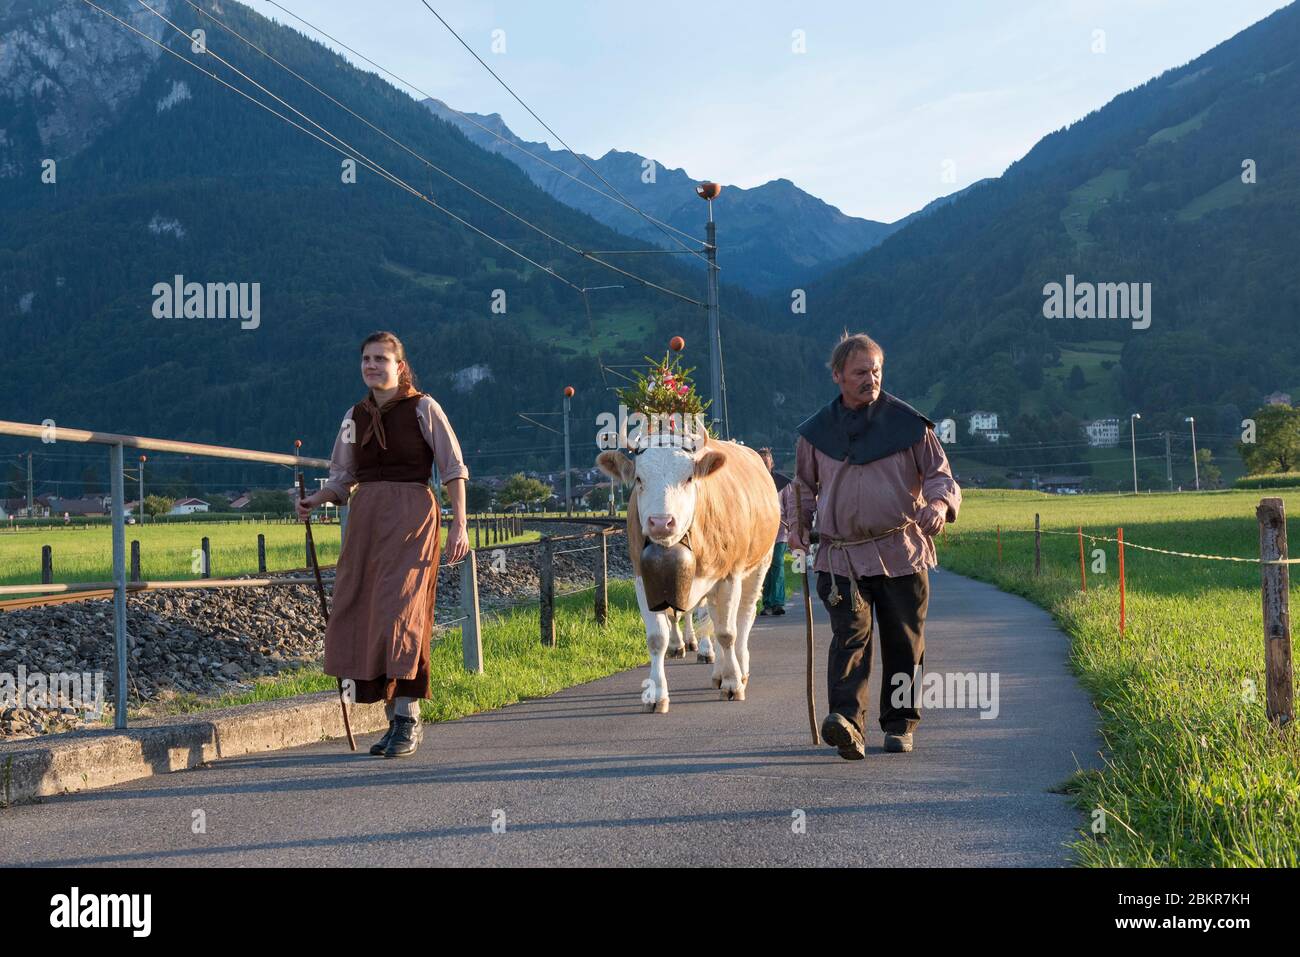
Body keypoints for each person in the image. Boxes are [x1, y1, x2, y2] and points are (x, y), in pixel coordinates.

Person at [296, 331, 470, 758]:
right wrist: (316, 500)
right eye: (366, 359)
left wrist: (459, 524)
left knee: (402, 611)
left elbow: (453, 469)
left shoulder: (424, 408)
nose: (372, 366)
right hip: (367, 520)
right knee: (367, 612)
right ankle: (393, 719)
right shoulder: (353, 417)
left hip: (413, 517)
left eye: (381, 359)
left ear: (399, 366)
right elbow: (342, 476)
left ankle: (409, 716)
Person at [787, 332, 960, 760]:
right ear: (838, 376)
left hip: (901, 550)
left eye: (877, 370)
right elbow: (803, 488)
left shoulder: (910, 426)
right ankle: (846, 722)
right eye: (861, 372)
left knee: (904, 641)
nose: (871, 379)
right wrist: (796, 526)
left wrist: (938, 505)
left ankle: (900, 724)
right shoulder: (816, 433)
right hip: (840, 556)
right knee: (850, 637)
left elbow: (941, 477)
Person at [756, 447, 795, 616]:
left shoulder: (783, 483)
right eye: (761, 462)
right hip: (761, 533)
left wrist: (792, 525)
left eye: (766, 462)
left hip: (780, 531)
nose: (764, 465)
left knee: (777, 564)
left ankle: (778, 602)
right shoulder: (753, 483)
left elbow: (791, 506)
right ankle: (767, 603)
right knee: (764, 568)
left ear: (772, 462)